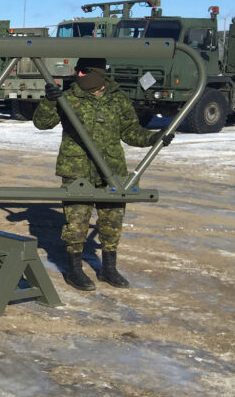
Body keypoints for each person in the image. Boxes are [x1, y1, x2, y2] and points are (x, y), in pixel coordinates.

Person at [33, 56, 173, 290]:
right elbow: (42, 124)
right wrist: (49, 101)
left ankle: (108, 269)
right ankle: (74, 271)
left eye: (84, 71)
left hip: (111, 170)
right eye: (77, 71)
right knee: (76, 223)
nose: (79, 76)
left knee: (111, 221)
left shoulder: (117, 99)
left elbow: (130, 131)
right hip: (77, 169)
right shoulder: (68, 97)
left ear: (98, 73)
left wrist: (154, 138)